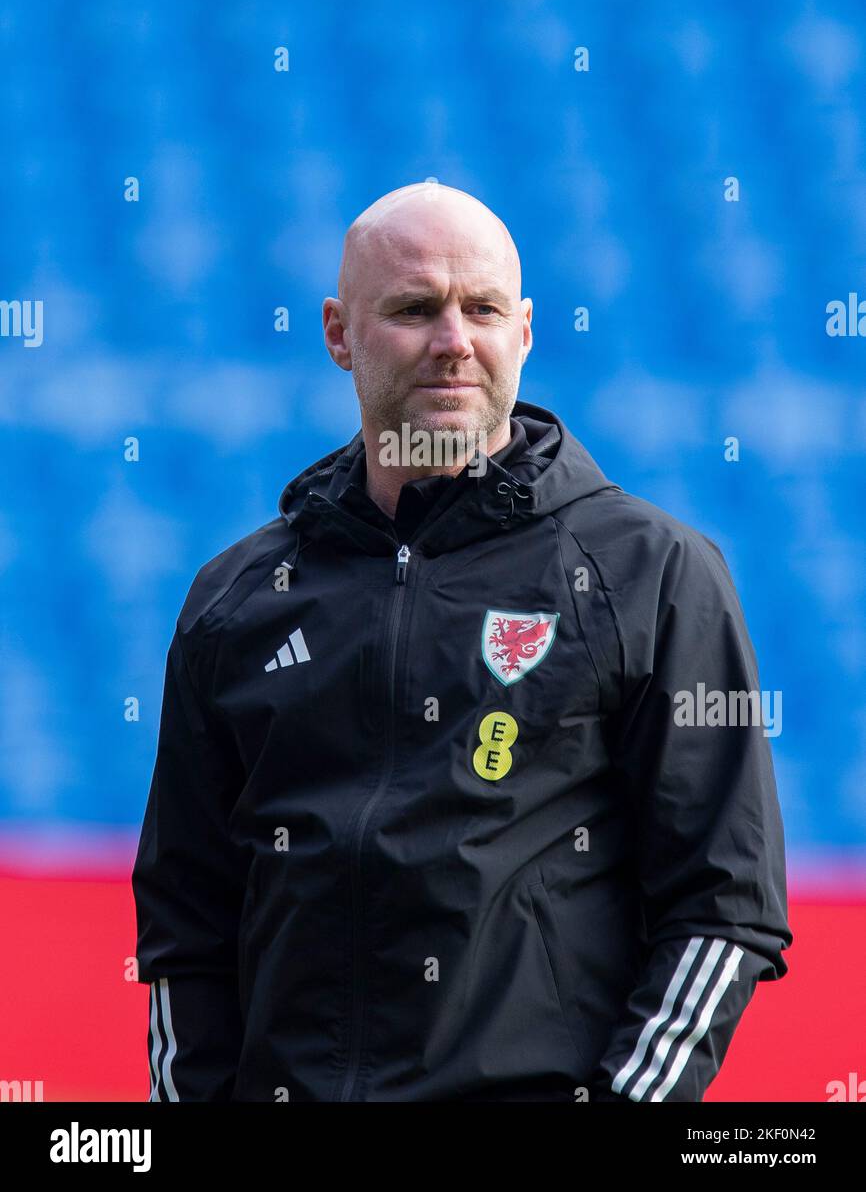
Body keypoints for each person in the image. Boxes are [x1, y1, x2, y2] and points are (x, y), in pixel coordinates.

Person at [132, 182, 792, 1102]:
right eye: (413, 309)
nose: (453, 343)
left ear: (523, 331)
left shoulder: (653, 574)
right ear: (337, 332)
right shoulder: (236, 601)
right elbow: (184, 926)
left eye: (482, 309)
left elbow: (726, 911)